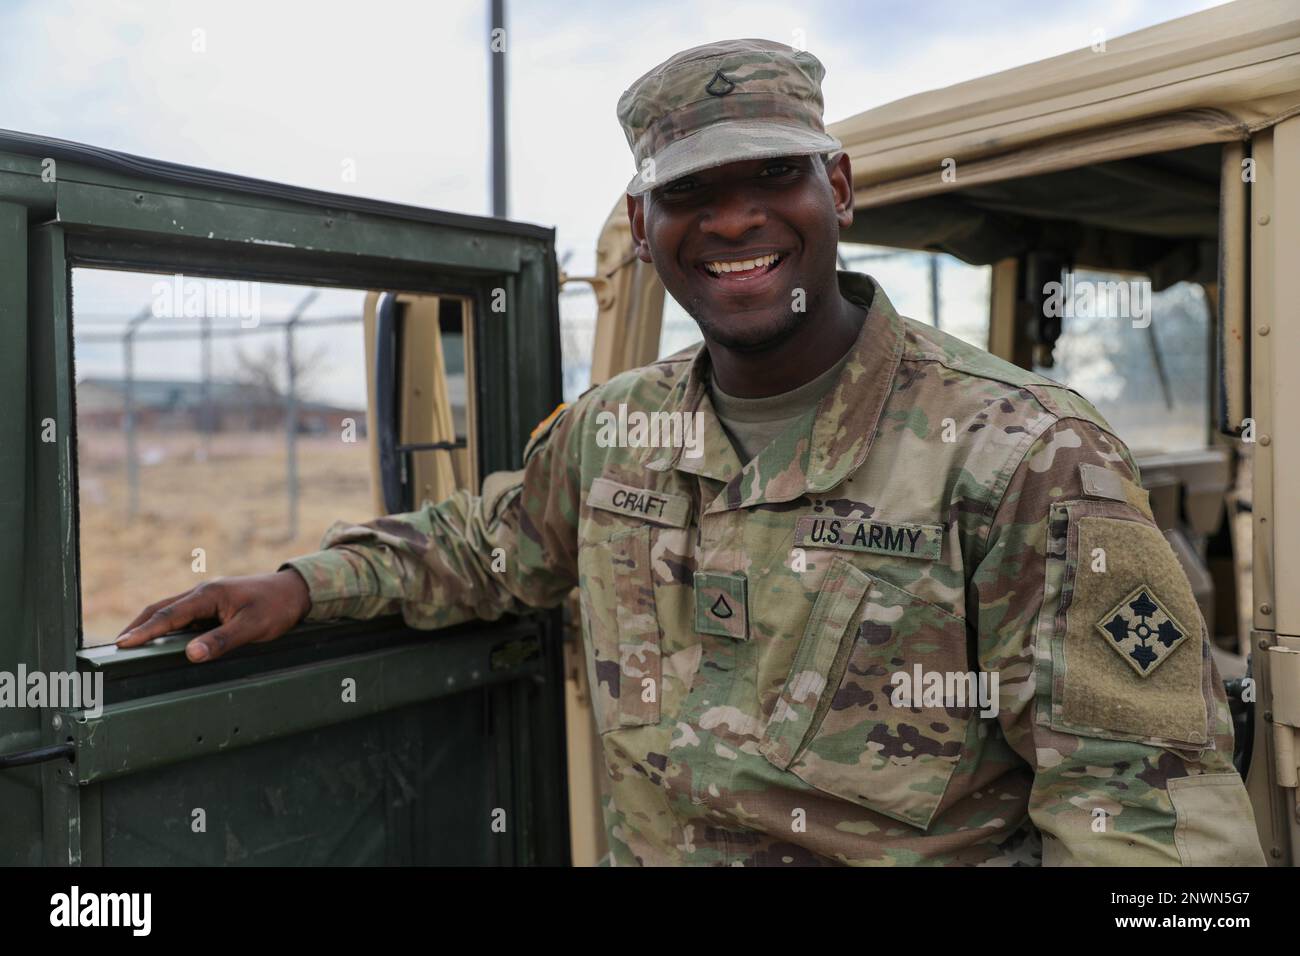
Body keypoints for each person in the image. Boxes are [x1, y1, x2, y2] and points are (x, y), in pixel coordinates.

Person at [118, 38, 1265, 867]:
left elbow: (1142, 809)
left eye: (773, 176)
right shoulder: (619, 427)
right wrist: (300, 584)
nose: (732, 220)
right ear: (645, 224)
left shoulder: (1018, 450)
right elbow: (491, 544)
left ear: (840, 190)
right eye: (689, 193)